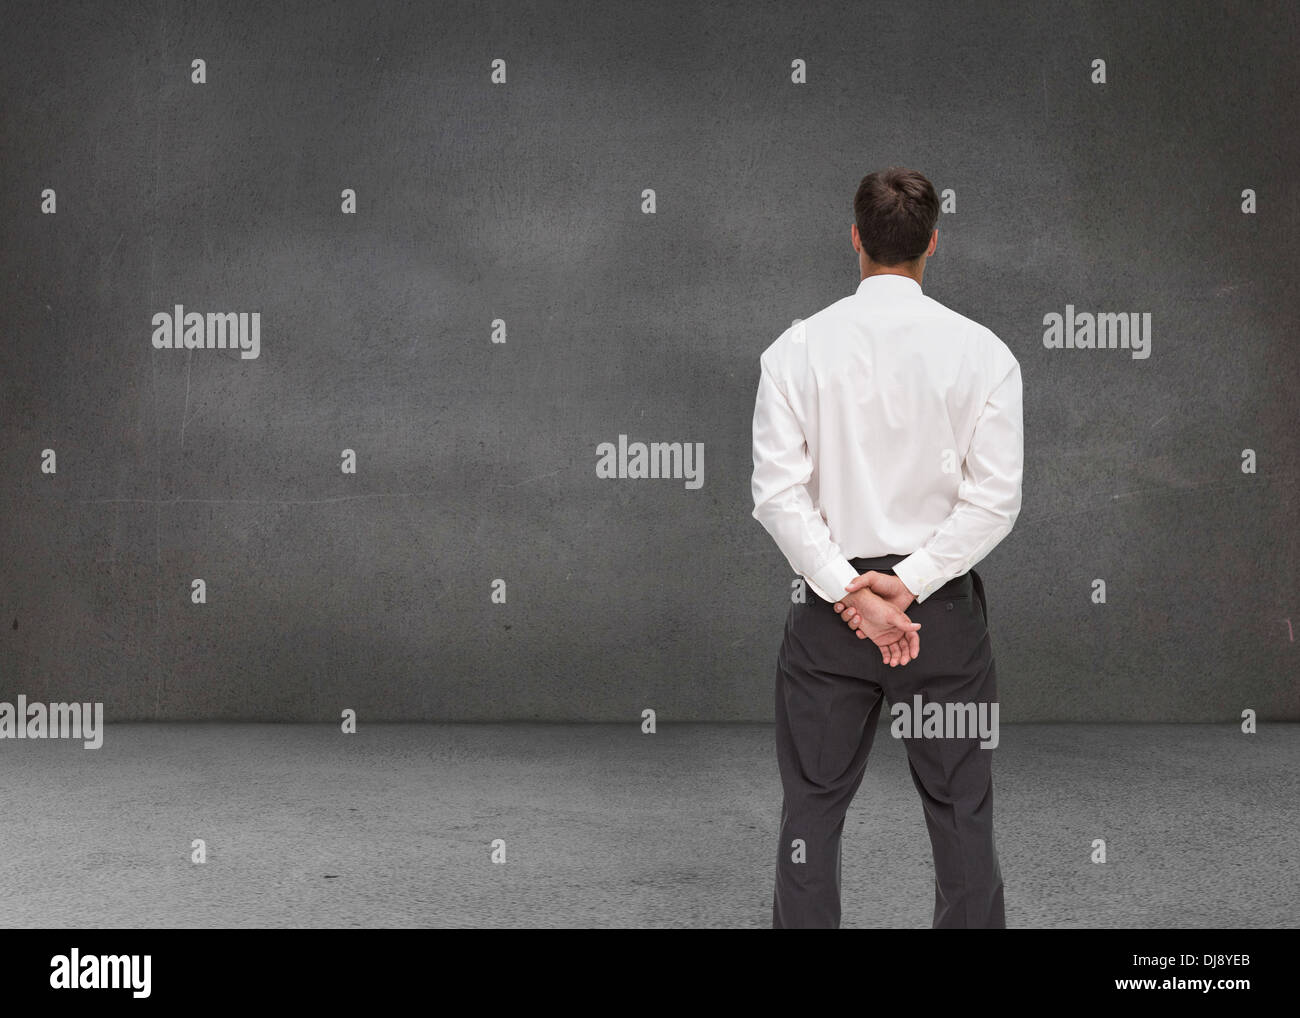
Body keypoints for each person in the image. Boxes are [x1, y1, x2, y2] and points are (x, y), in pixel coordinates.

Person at [750, 166, 1023, 929]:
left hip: (828, 621)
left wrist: (852, 591)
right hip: (942, 621)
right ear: (933, 243)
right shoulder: (985, 354)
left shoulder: (795, 352)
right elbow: (994, 501)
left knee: (811, 807)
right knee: (961, 806)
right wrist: (909, 584)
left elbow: (778, 496)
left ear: (855, 240)